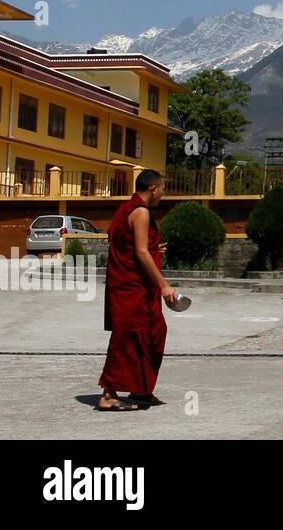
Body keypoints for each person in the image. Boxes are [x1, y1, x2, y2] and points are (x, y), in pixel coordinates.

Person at [97, 169, 176, 410]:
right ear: (153, 188)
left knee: (153, 332)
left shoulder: (127, 209)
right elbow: (140, 252)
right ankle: (108, 395)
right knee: (127, 337)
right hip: (131, 287)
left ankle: (140, 389)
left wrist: (154, 250)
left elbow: (135, 247)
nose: (163, 193)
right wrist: (163, 285)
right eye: (162, 188)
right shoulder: (140, 211)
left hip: (133, 286)